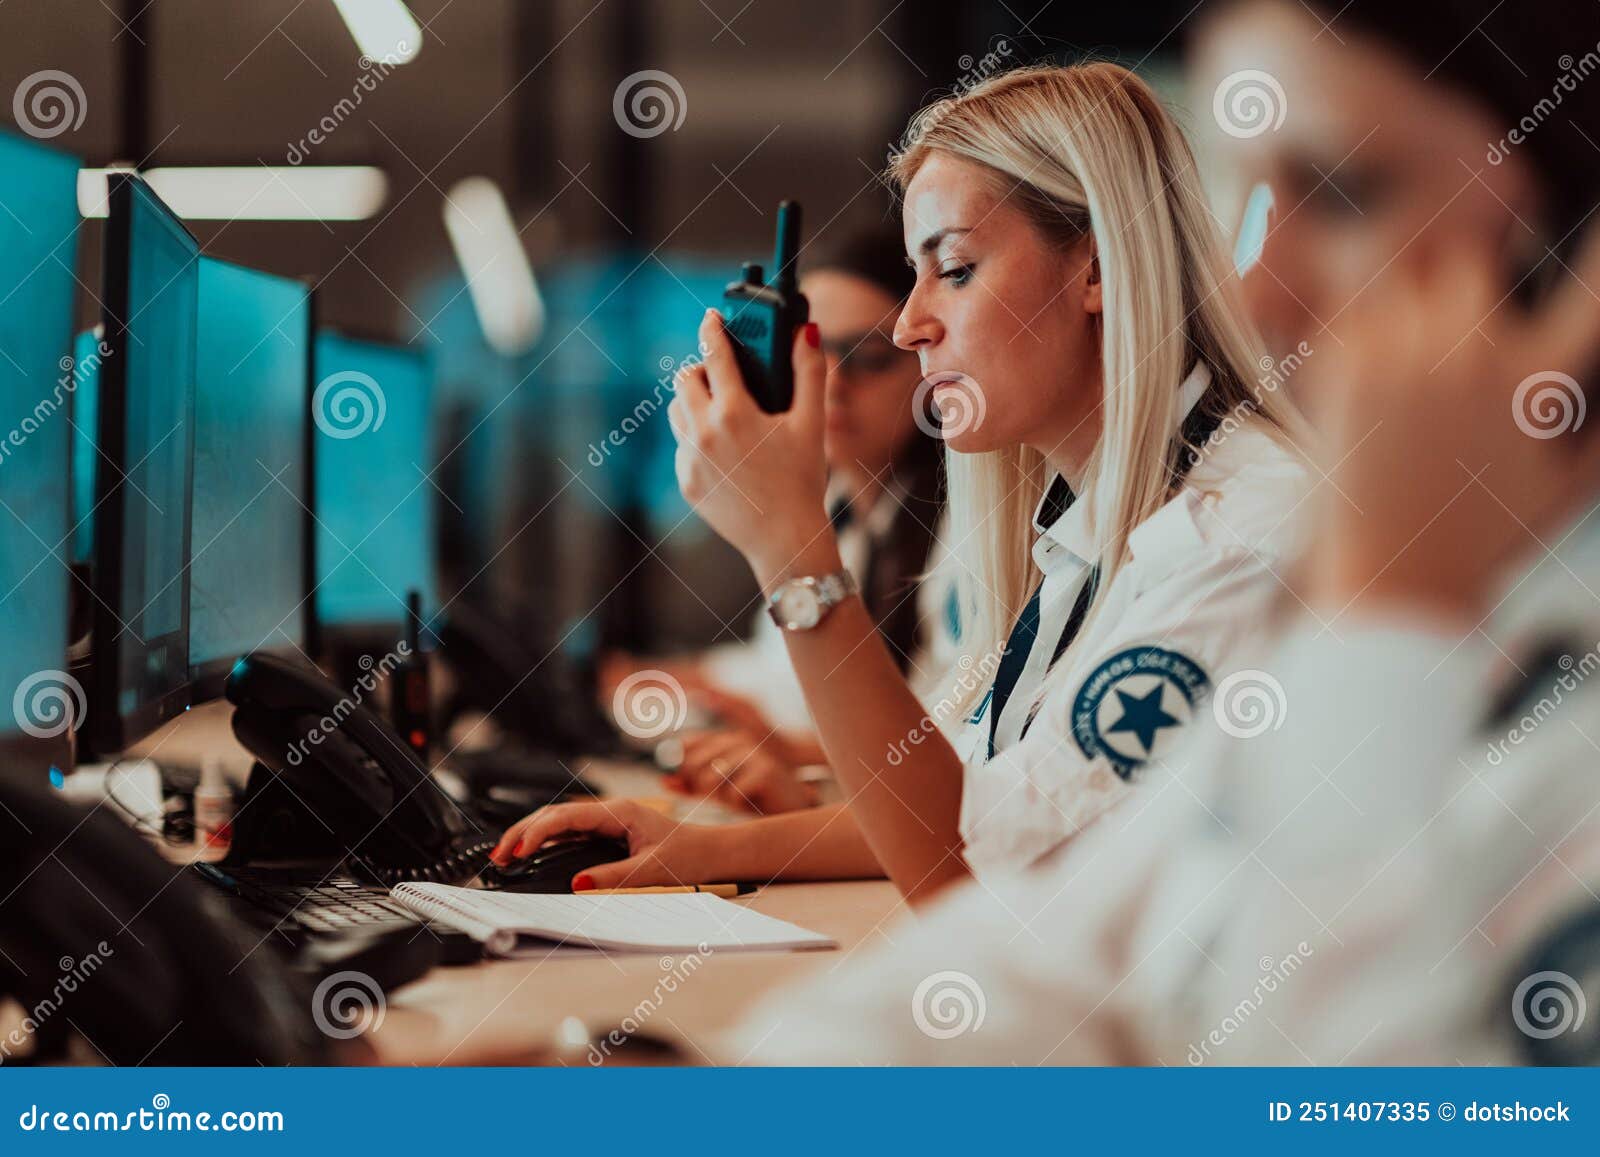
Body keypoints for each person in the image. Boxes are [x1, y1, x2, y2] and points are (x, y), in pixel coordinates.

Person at [714, 0, 1600, 1065]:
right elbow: (1053, 947)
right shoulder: (1309, 585)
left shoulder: (1286, 545)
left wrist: (1386, 629)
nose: (1259, 288)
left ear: (1569, 246)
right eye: (1255, 199)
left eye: (1343, 192)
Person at [492, 60, 1311, 900]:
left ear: (1096, 270)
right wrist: (700, 851)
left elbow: (962, 881)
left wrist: (791, 551)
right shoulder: (1084, 530)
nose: (914, 324)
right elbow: (980, 814)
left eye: (953, 269)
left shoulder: (1242, 533)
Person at [601, 226, 952, 815]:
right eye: (809, 358)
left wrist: (795, 760)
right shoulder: (838, 510)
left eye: (867, 360)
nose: (831, 386)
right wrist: (695, 679)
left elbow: (949, 759)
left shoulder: (965, 533)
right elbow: (779, 669)